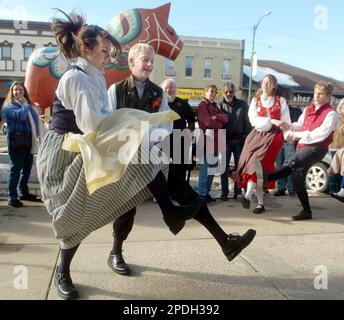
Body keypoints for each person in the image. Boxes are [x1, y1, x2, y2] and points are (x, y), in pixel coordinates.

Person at [37, 12, 212, 300]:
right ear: (86, 48)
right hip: (65, 151)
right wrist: (131, 123)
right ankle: (63, 272)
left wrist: (133, 125)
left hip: (84, 143)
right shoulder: (77, 78)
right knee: (73, 214)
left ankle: (169, 210)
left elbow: (101, 120)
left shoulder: (92, 75)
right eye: (104, 51)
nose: (108, 56)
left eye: (109, 51)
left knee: (143, 155)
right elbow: (94, 123)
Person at [108, 44, 256, 278]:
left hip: (154, 156)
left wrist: (154, 140)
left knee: (191, 197)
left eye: (152, 61)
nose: (149, 65)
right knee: (126, 211)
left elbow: (166, 123)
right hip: (127, 160)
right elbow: (109, 123)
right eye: (145, 60)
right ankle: (116, 252)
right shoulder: (115, 91)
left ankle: (225, 241)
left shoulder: (158, 93)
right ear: (131, 62)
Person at [256, 80, 339, 220]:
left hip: (317, 148)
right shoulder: (308, 109)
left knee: (292, 162)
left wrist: (297, 135)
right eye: (315, 93)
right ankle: (307, 211)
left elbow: (321, 134)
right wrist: (288, 126)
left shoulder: (331, 114)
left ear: (328, 95)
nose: (316, 96)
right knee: (297, 177)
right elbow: (300, 124)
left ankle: (266, 178)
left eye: (320, 94)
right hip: (303, 146)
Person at [232, 74, 291, 214]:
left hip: (274, 136)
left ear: (274, 86)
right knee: (255, 167)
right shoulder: (255, 100)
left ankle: (247, 196)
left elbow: (286, 122)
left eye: (269, 82)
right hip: (256, 135)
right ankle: (260, 203)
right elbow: (253, 120)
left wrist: (288, 135)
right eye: (264, 82)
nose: (265, 84)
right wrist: (272, 121)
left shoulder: (280, 101)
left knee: (257, 163)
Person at [2, 81, 42, 207]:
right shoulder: (8, 106)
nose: (18, 92)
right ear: (12, 92)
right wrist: (25, 105)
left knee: (27, 169)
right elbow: (20, 116)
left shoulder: (28, 106)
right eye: (16, 90)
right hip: (16, 142)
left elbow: (35, 121)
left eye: (21, 90)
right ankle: (12, 196)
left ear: (24, 91)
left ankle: (23, 192)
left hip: (29, 141)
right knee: (15, 169)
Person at [218, 82, 251, 201]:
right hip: (225, 140)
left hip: (239, 140)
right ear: (223, 92)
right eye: (226, 91)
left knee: (239, 168)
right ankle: (224, 192)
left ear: (234, 92)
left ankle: (237, 192)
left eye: (231, 91)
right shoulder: (219, 105)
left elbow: (247, 122)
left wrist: (246, 138)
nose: (228, 93)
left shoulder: (242, 105)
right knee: (223, 168)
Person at [197, 84, 228, 202]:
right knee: (205, 168)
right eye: (210, 91)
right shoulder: (202, 105)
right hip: (206, 140)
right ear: (205, 92)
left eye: (214, 92)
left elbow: (225, 119)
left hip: (216, 140)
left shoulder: (216, 105)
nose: (212, 94)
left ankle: (207, 192)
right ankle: (202, 194)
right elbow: (207, 122)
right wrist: (217, 122)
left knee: (213, 167)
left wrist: (217, 118)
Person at [161, 78, 196, 181]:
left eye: (171, 88)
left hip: (179, 141)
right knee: (162, 168)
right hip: (163, 140)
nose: (168, 90)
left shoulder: (183, 104)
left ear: (175, 89)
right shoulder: (157, 104)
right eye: (166, 88)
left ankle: (180, 194)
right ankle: (164, 193)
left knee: (180, 168)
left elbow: (191, 122)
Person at [274, 91, 303, 197]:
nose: (284, 101)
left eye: (286, 98)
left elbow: (300, 126)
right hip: (278, 141)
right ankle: (281, 188)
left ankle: (291, 188)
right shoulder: (277, 111)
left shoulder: (296, 111)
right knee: (279, 166)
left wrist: (295, 138)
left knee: (290, 165)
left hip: (289, 142)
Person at [328, 98, 344, 194]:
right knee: (335, 172)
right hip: (335, 147)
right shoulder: (337, 117)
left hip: (341, 148)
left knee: (340, 172)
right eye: (342, 105)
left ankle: (337, 192)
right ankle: (333, 192)